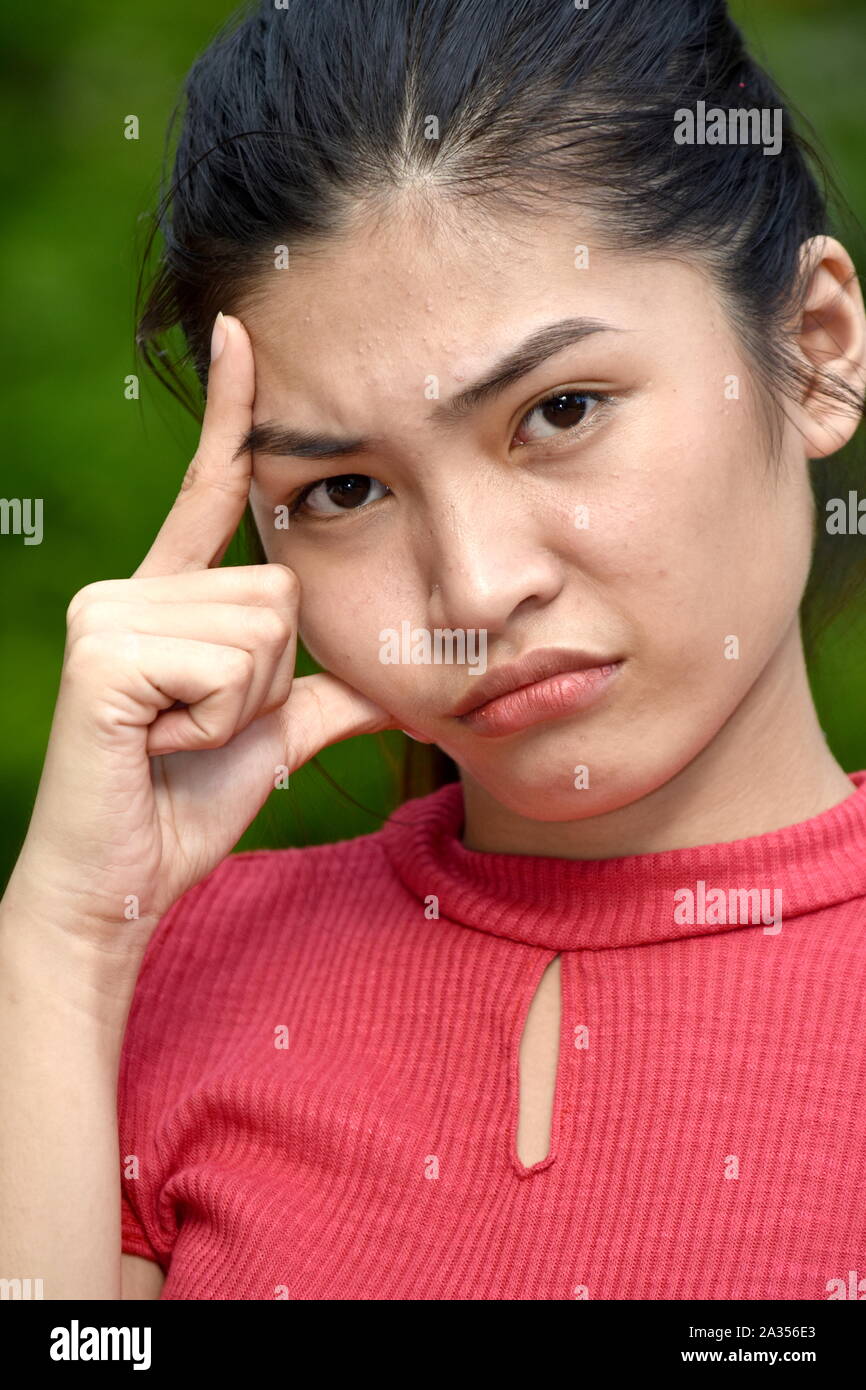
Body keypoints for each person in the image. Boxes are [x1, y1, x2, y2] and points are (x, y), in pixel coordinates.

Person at [2, 0, 865, 1301]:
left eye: (559, 411)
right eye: (343, 491)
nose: (472, 585)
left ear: (811, 353)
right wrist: (65, 943)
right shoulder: (151, 988)